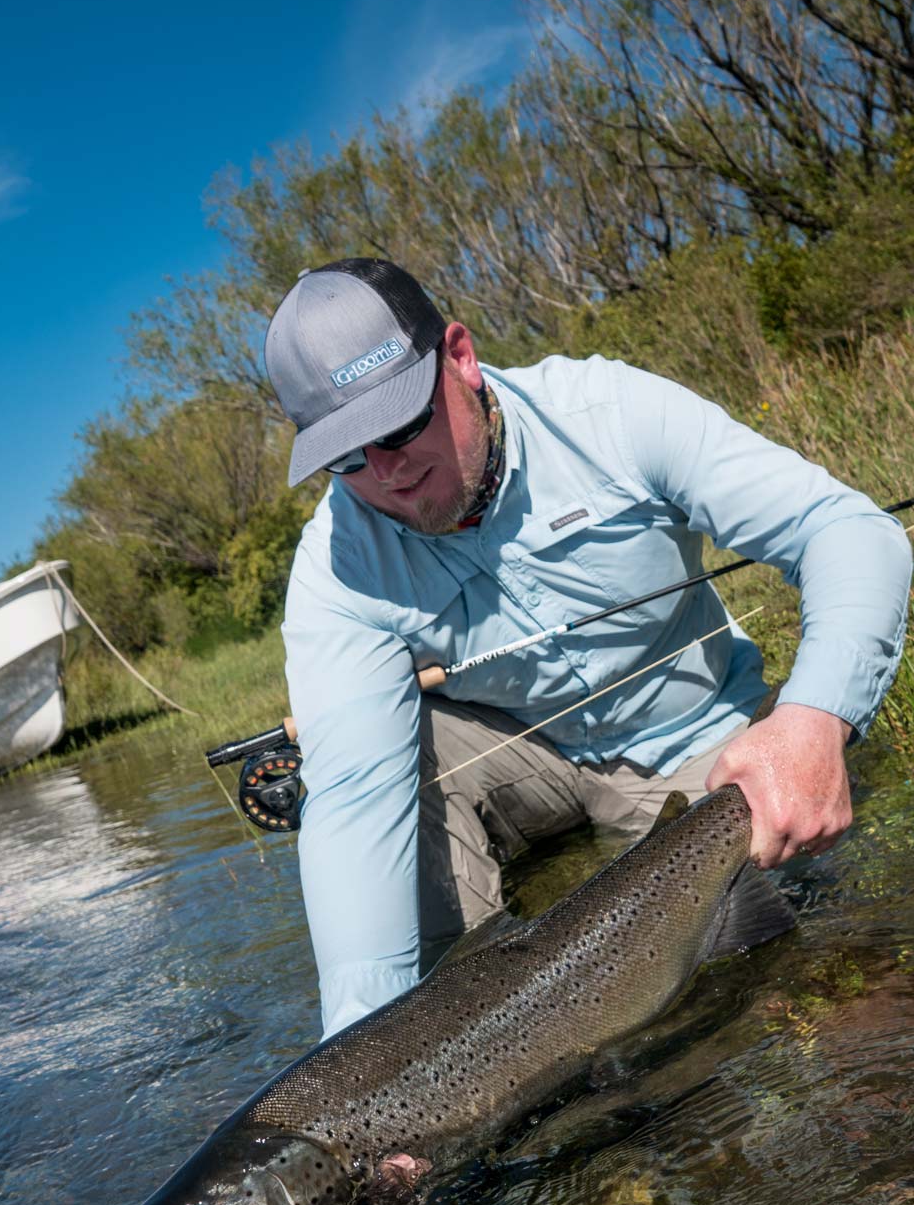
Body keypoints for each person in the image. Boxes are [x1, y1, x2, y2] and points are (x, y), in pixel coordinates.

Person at [265, 257, 912, 1040]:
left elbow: (844, 530)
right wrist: (362, 1056)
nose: (387, 474)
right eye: (346, 456)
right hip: (528, 751)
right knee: (392, 767)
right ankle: (463, 1032)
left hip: (696, 737)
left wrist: (813, 720)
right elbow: (355, 804)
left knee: (786, 976)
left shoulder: (609, 409)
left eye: (399, 424)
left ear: (461, 359)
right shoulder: (335, 564)